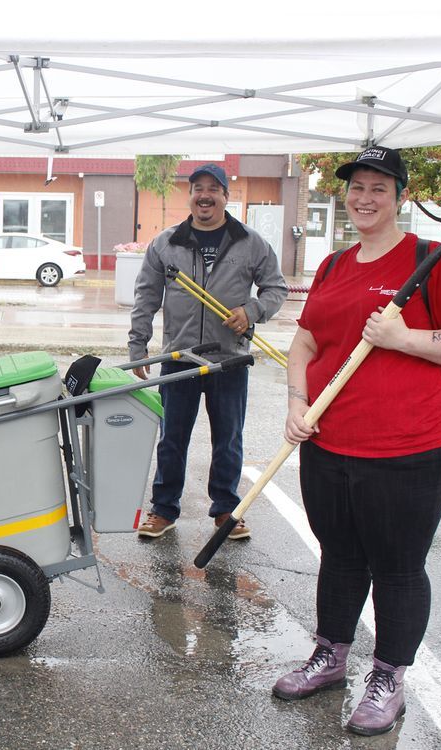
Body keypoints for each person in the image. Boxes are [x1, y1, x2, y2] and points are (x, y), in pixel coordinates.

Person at [272, 147, 441, 736]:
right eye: (357, 187)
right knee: (339, 556)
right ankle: (330, 656)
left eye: (378, 188)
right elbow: (306, 345)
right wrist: (298, 404)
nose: (364, 198)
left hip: (410, 447)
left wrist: (404, 337)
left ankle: (388, 677)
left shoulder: (432, 261)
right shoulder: (333, 265)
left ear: (399, 196)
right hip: (329, 441)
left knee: (397, 566)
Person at [129, 163, 287, 540]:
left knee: (229, 438)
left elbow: (275, 289)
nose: (204, 195)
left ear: (226, 196)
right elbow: (146, 296)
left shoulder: (250, 241)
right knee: (172, 438)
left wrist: (251, 311)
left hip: (229, 359)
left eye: (213, 189)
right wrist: (138, 344)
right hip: (179, 359)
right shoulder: (166, 243)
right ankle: (163, 510)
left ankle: (226, 511)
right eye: (197, 188)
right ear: (190, 196)